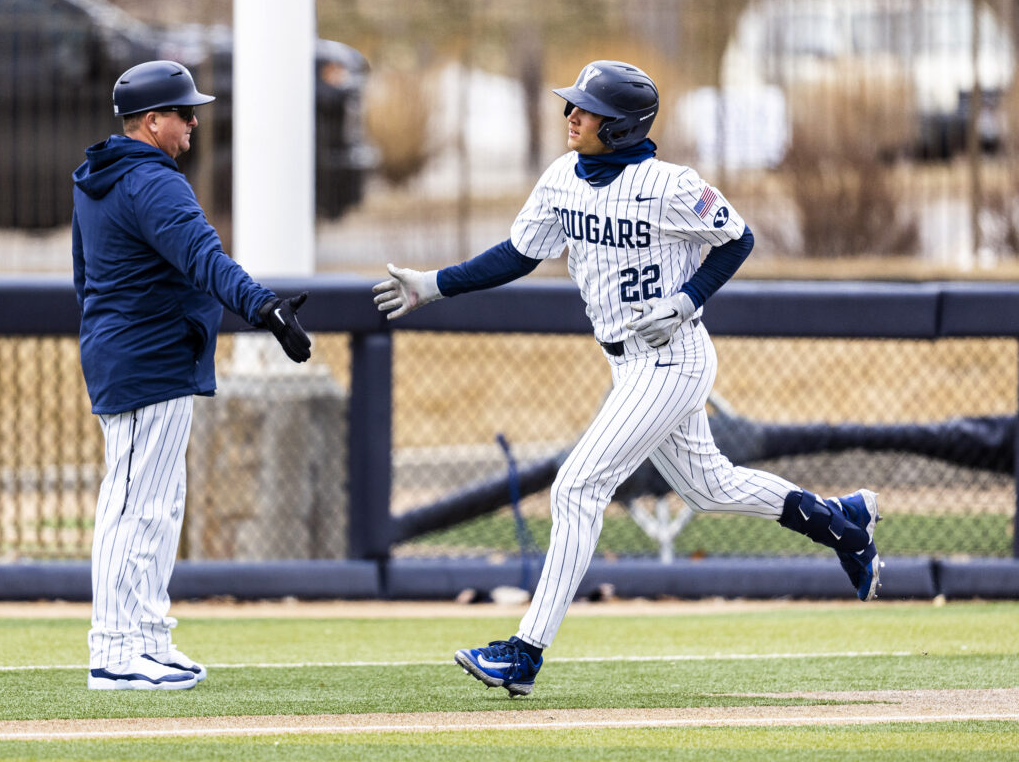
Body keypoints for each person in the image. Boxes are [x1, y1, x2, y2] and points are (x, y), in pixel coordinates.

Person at [372, 60, 881, 698]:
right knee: (710, 488)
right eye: (572, 106)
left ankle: (523, 654)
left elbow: (737, 239)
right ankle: (840, 522)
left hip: (673, 358)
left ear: (620, 128)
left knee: (575, 488)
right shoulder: (562, 177)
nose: (571, 116)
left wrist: (689, 299)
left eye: (587, 110)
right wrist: (433, 285)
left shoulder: (670, 184)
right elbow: (519, 253)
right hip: (626, 361)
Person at [73, 60, 312, 691]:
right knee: (134, 506)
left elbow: (85, 278)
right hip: (146, 358)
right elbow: (205, 256)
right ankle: (115, 649)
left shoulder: (105, 176)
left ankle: (146, 637)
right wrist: (264, 307)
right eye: (183, 113)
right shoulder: (152, 181)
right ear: (152, 122)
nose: (194, 121)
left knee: (156, 505)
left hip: (136, 354)